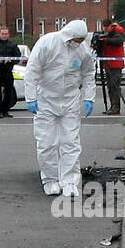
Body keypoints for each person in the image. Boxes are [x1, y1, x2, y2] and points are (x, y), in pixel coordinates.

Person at [23, 19, 95, 196]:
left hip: (70, 99)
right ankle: (50, 179)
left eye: (81, 41)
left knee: (70, 142)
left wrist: (89, 97)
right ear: (69, 36)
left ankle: (69, 181)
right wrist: (31, 98)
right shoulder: (47, 43)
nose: (79, 44)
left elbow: (88, 74)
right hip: (46, 98)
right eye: (77, 40)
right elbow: (32, 71)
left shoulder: (83, 50)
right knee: (47, 142)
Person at [98, 17, 125, 115]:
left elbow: (118, 42)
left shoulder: (117, 30)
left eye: (105, 27)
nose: (104, 30)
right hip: (108, 64)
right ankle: (112, 106)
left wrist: (105, 40)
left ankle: (116, 107)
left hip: (115, 64)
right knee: (110, 86)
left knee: (114, 86)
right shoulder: (110, 33)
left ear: (108, 26)